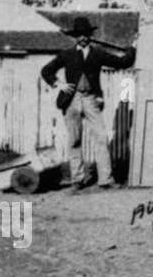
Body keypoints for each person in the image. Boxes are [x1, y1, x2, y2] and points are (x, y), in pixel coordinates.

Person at [40, 16, 136, 189]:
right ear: (75, 37)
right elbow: (46, 70)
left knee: (100, 137)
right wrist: (59, 84)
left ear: (90, 35)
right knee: (74, 140)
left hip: (91, 99)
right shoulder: (67, 54)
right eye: (79, 35)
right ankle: (77, 179)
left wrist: (132, 48)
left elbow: (123, 62)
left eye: (86, 34)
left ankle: (105, 180)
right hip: (72, 100)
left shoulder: (97, 53)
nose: (83, 38)